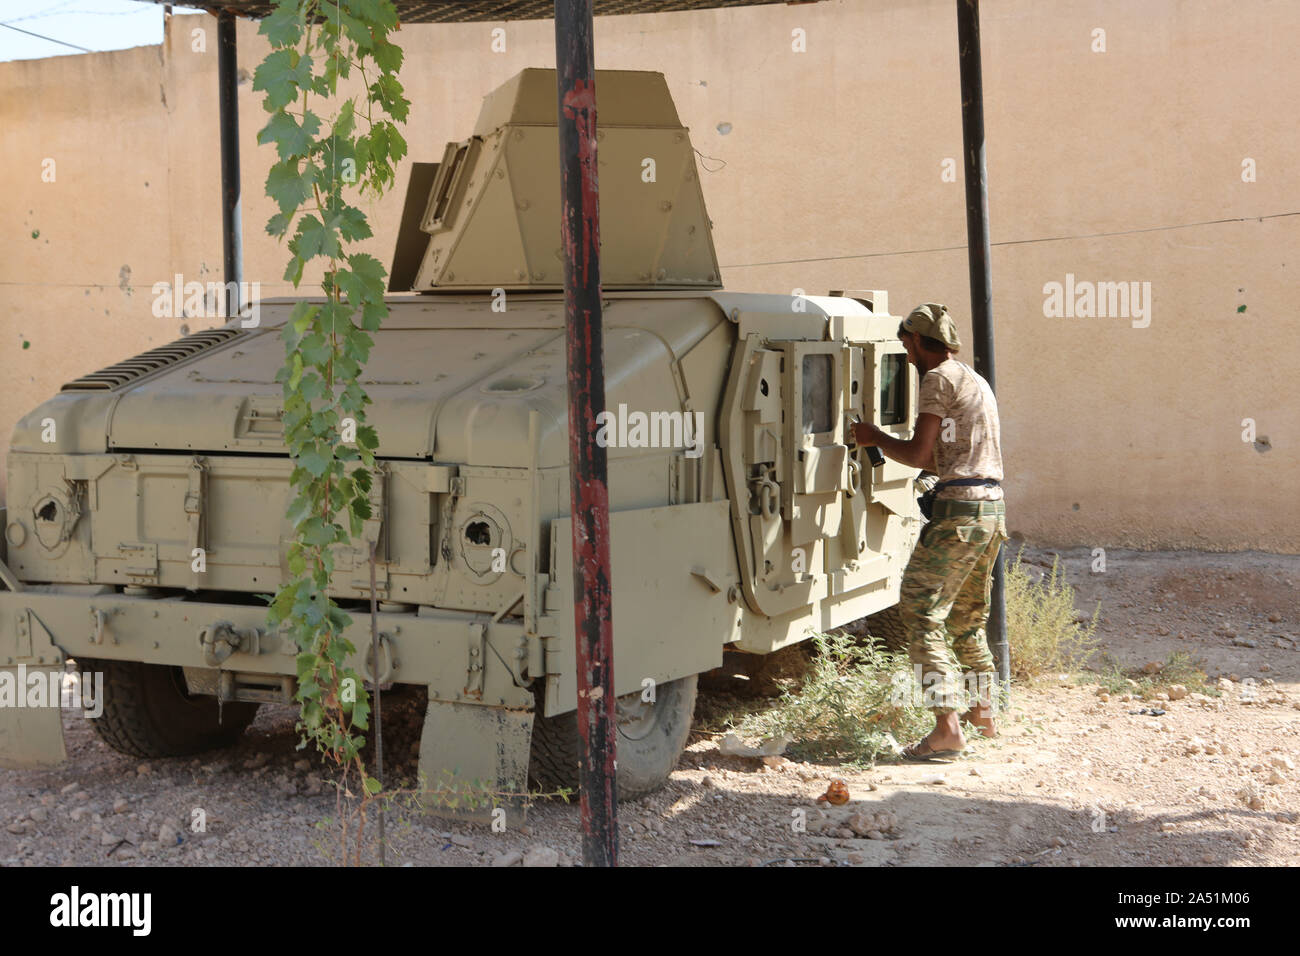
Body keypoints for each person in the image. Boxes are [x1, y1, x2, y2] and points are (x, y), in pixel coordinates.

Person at [853, 303, 1006, 760]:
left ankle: (947, 728)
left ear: (919, 342)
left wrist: (873, 437)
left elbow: (921, 454)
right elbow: (947, 455)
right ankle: (983, 713)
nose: (909, 358)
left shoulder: (938, 379)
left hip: (960, 511)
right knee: (966, 620)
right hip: (991, 510)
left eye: (907, 348)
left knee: (920, 609)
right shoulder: (974, 380)